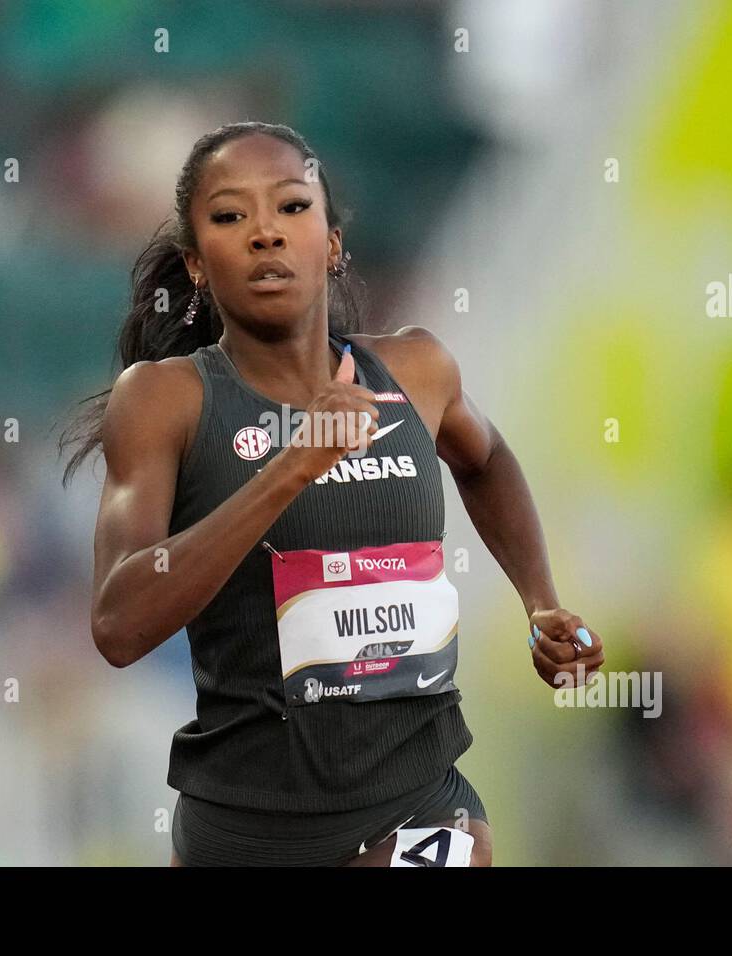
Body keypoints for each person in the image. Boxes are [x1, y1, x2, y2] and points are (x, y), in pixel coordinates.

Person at [60, 122, 603, 867]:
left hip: (417, 799)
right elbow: (118, 625)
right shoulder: (166, 403)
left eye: (290, 208)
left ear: (334, 243)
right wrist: (289, 469)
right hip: (244, 828)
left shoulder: (416, 371)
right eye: (230, 217)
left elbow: (487, 459)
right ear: (195, 264)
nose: (265, 235)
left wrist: (540, 600)